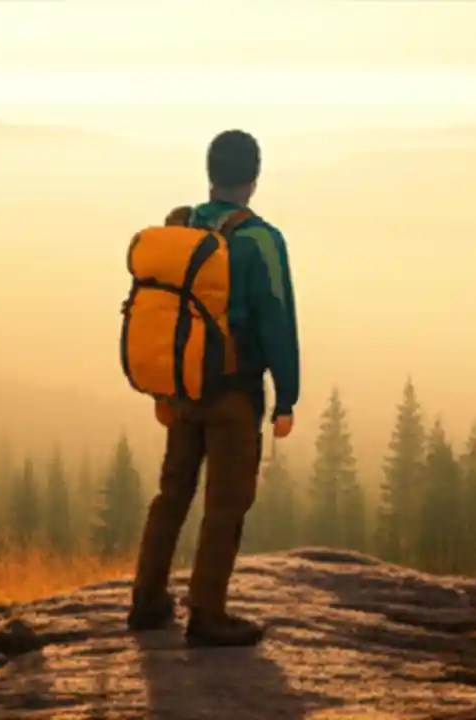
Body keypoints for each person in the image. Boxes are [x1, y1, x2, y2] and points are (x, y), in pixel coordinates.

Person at [128, 129, 301, 647]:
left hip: (182, 389)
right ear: (254, 177)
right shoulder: (261, 240)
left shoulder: (180, 230)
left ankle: (147, 599)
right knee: (226, 503)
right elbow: (278, 322)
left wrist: (163, 389)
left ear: (210, 173)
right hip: (232, 393)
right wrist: (286, 398)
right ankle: (206, 613)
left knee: (172, 493)